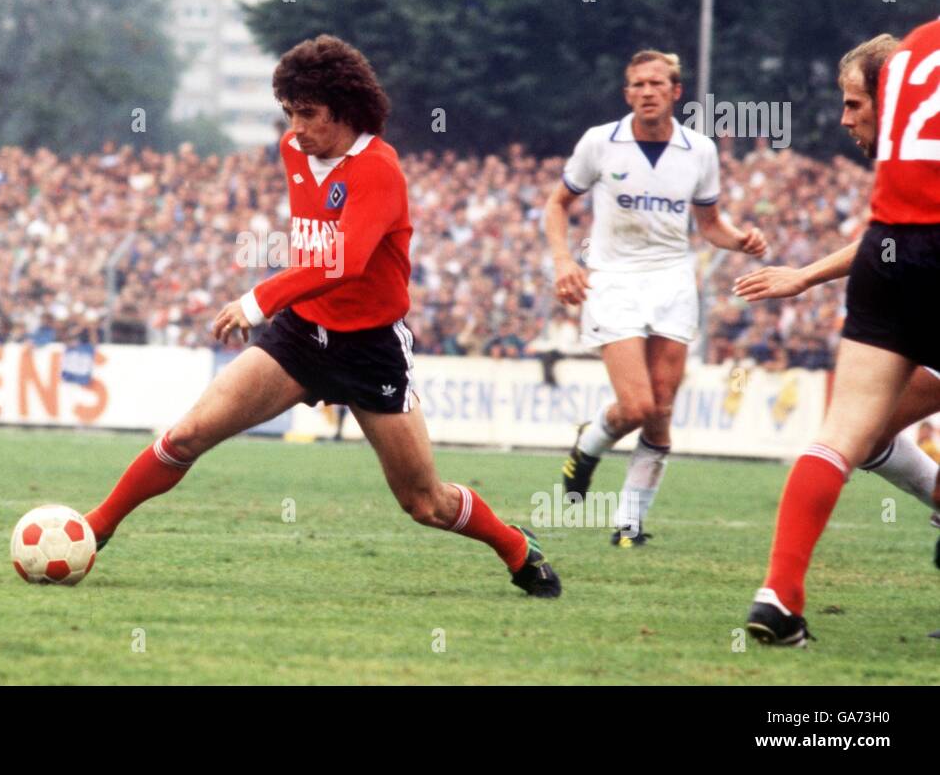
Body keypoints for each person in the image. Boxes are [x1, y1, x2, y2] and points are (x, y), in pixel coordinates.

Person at [81, 35, 561, 597]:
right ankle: (93, 529)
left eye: (307, 113)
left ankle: (515, 547)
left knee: (424, 502)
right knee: (187, 435)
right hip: (302, 336)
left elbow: (346, 262)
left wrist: (258, 298)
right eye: (288, 112)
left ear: (346, 108)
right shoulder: (294, 152)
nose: (295, 127)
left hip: (371, 348)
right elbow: (315, 251)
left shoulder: (379, 169)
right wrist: (281, 305)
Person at [746, 17, 940, 646]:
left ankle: (778, 595)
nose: (844, 118)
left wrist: (803, 276)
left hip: (891, 250)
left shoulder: (913, 48)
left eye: (853, 104)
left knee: (841, 432)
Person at [543, 50, 766, 546]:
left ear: (675, 92)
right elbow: (557, 204)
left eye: (656, 84)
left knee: (662, 406)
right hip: (614, 280)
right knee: (638, 405)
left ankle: (629, 525)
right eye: (637, 84)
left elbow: (709, 224)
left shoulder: (699, 151)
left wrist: (740, 240)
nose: (646, 92)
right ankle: (590, 445)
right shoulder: (600, 143)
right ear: (627, 94)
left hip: (671, 280)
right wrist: (564, 260)